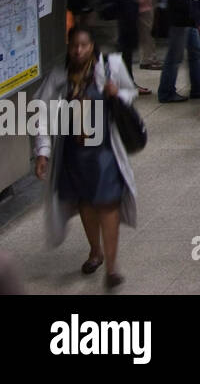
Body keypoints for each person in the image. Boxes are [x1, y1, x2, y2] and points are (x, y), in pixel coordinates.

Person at [32, 26, 139, 290]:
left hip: (103, 152)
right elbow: (41, 116)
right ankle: (96, 251)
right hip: (74, 153)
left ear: (92, 46)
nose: (79, 51)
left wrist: (118, 95)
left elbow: (130, 93)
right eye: (74, 46)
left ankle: (112, 269)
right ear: (69, 48)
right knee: (85, 203)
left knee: (107, 204)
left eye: (84, 45)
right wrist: (43, 152)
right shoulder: (60, 79)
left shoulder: (110, 68)